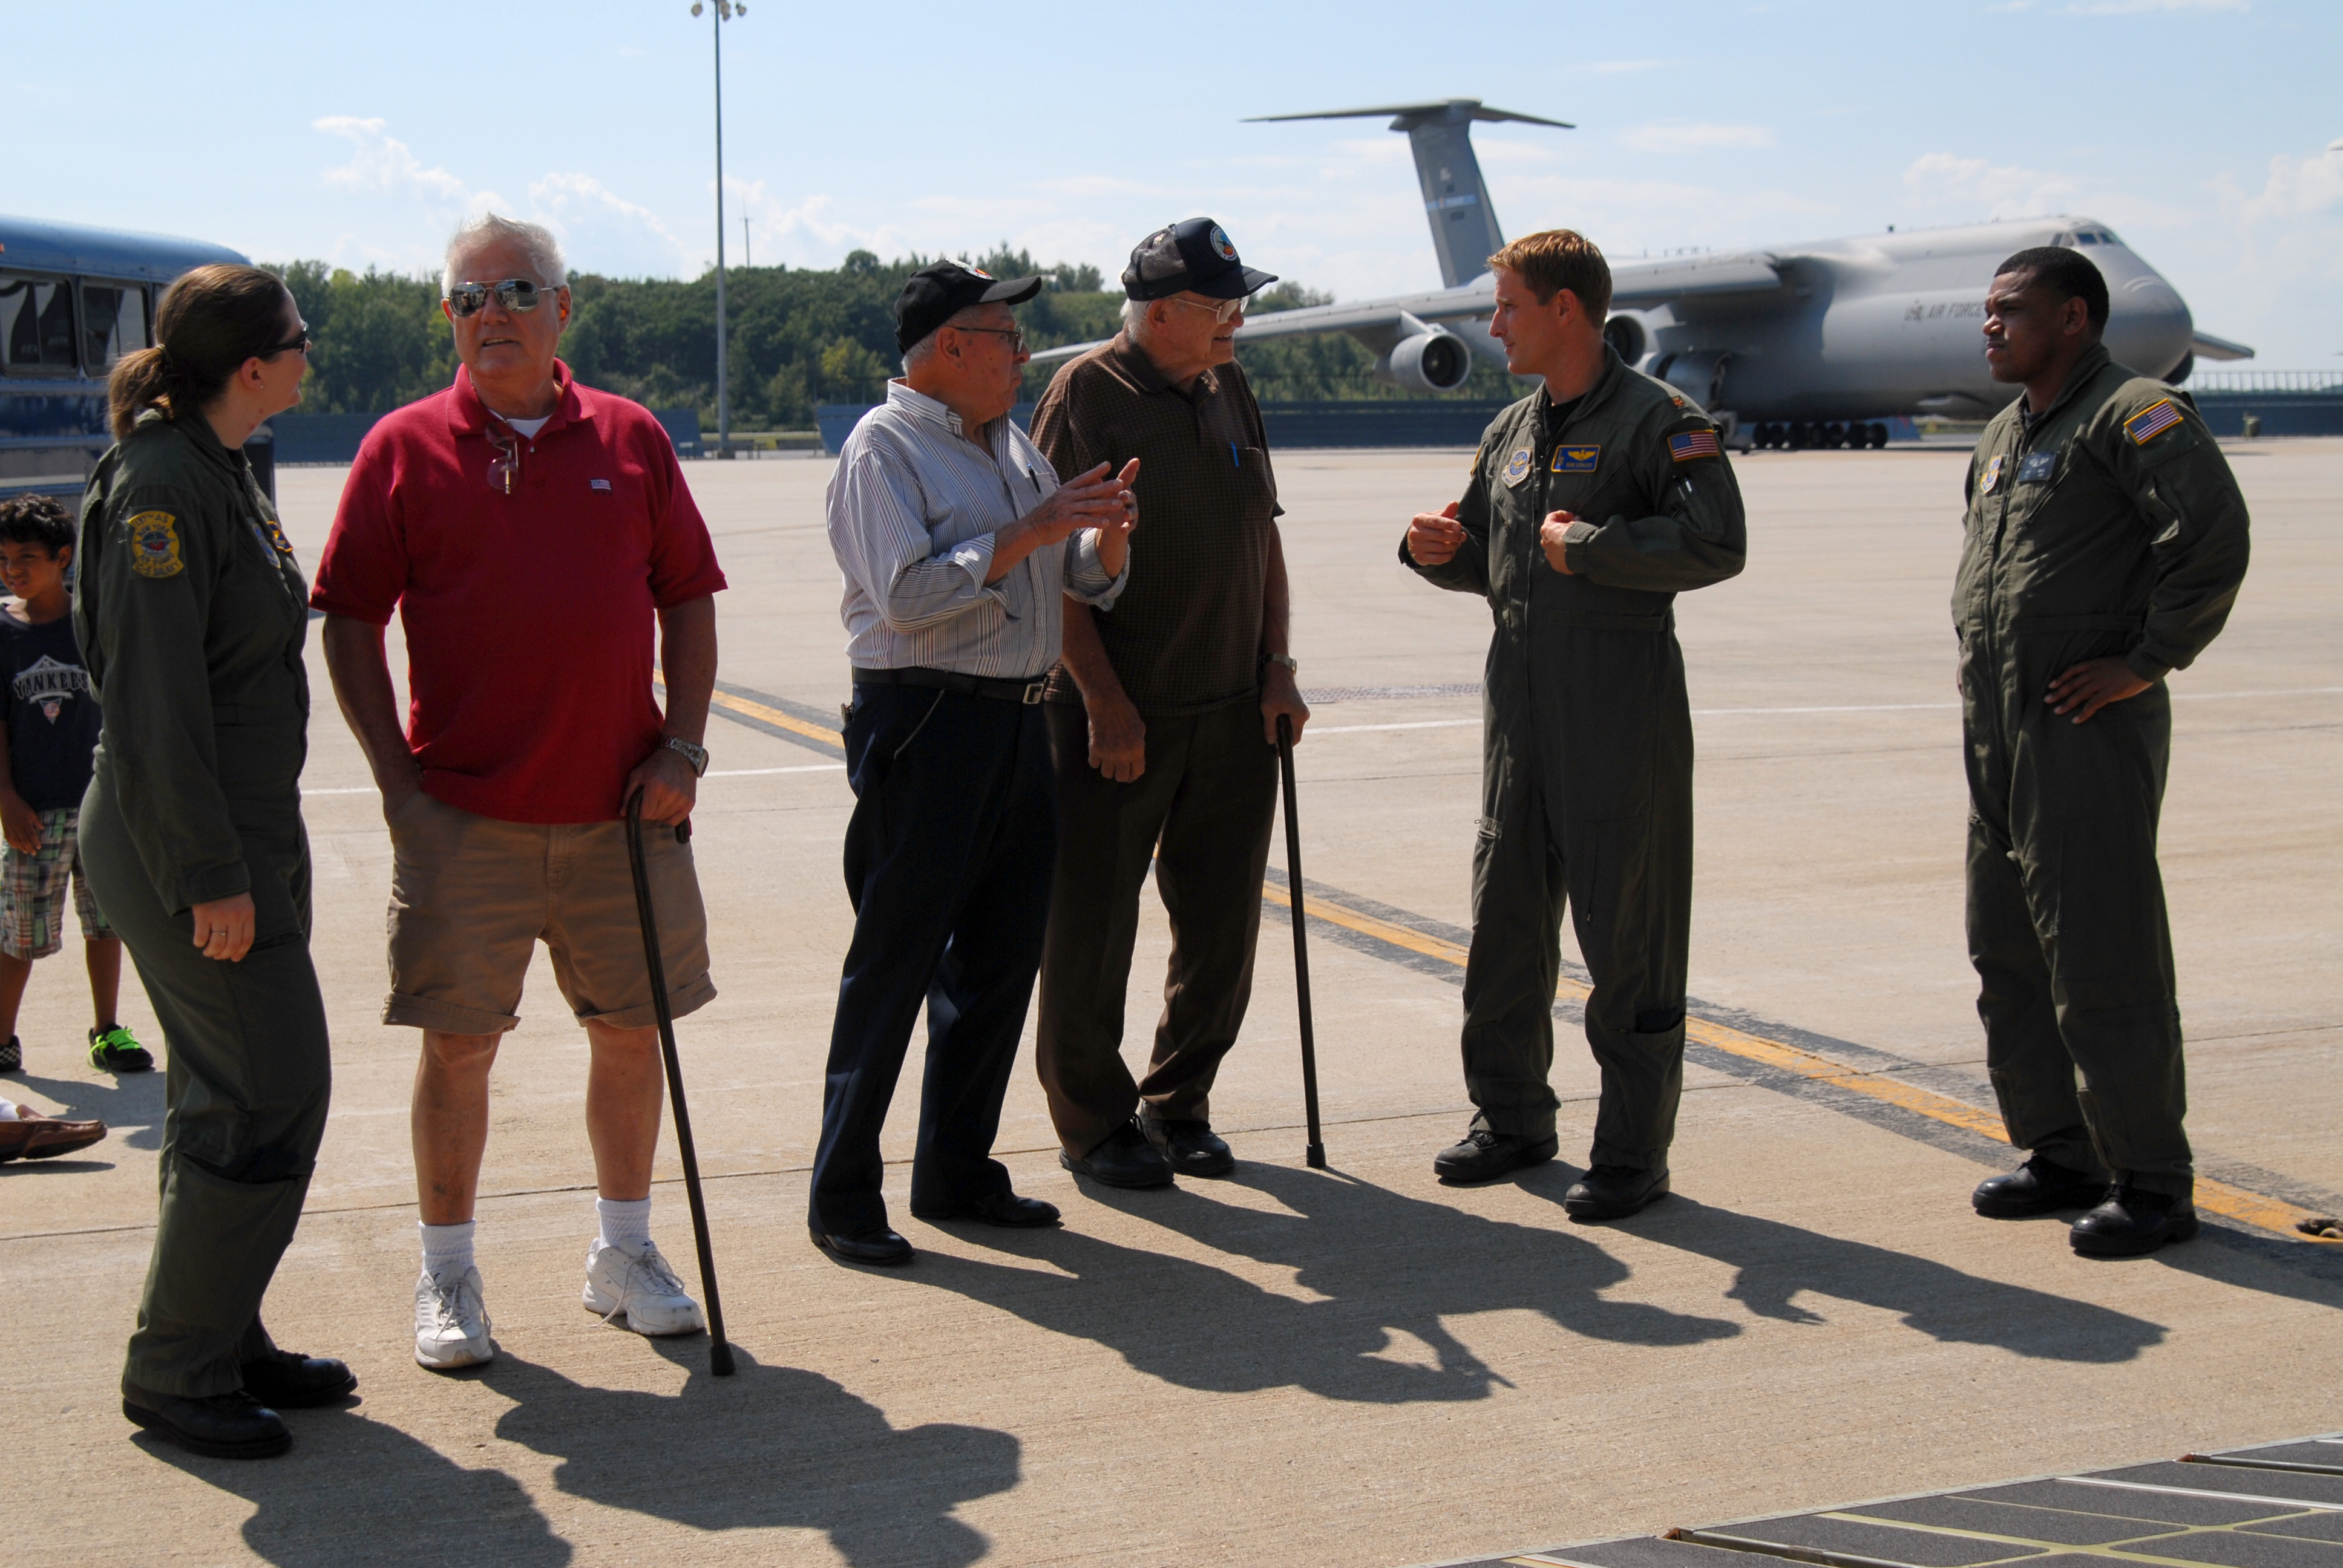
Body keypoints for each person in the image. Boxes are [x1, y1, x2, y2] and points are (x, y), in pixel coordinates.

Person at [312, 215, 727, 1369]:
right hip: (464, 820)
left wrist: (682, 750)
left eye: (514, 290)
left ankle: (624, 1255)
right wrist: (400, 791)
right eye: (466, 297)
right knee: (457, 1048)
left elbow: (688, 597)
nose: (488, 312)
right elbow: (348, 618)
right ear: (446, 316)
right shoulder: (400, 447)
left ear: (563, 309)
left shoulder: (632, 439)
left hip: (624, 816)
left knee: (634, 1031)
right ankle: (447, 1274)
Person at [1401, 230, 1745, 1217]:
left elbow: (1716, 540)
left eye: (1507, 306)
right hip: (1518, 719)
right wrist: (1436, 549)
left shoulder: (1658, 420)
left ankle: (1633, 1152)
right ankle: (1510, 1117)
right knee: (1504, 926)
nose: (1492, 324)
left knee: (1625, 938)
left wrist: (1590, 545)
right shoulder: (1512, 428)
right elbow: (1490, 554)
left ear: (1565, 310)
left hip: (1617, 716)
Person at [77, 263, 353, 1459]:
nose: (308, 354)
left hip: (240, 833)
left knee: (228, 1092)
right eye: (299, 339)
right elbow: (152, 710)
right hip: (187, 845)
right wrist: (209, 877)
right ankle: (175, 1367)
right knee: (269, 1086)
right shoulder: (158, 489)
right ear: (253, 365)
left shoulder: (219, 474)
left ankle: (218, 1331)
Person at [813, 260, 1138, 1265]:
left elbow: (1062, 572)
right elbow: (908, 594)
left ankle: (956, 1168)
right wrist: (1038, 526)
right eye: (1004, 336)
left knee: (999, 963)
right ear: (948, 347)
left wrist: (1105, 542)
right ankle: (842, 1191)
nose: (1021, 353)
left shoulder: (1010, 446)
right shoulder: (884, 449)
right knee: (896, 964)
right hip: (927, 723)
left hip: (1017, 723)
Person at [1957, 247, 2249, 1258]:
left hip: (2084, 729)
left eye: (2011, 312)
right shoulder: (2003, 432)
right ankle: (2059, 1150)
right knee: (2007, 950)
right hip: (1999, 730)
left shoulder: (2132, 414)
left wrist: (2145, 659)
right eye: (1987, 313)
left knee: (2101, 953)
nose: (1990, 327)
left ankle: (2153, 1181)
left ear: (2073, 318)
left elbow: (2209, 538)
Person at [1028, 219, 1306, 1187]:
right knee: (1094, 929)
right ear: (1157, 314)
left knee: (1222, 925)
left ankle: (1179, 1100)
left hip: (1234, 709)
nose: (1239, 320)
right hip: (1120, 717)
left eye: (1241, 302)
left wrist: (1278, 664)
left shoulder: (1227, 385)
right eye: (1221, 306)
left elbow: (1260, 530)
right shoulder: (1087, 395)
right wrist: (1104, 701)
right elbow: (1052, 567)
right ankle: (1094, 1125)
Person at [0, 495, 146, 1076]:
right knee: (20, 934)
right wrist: (6, 799)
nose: (13, 570)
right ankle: (3, 1037)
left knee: (106, 922)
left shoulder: (93, 624)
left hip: (102, 806)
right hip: (32, 812)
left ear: (64, 557)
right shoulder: (3, 632)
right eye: (5, 558)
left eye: (27, 557)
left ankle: (107, 1029)